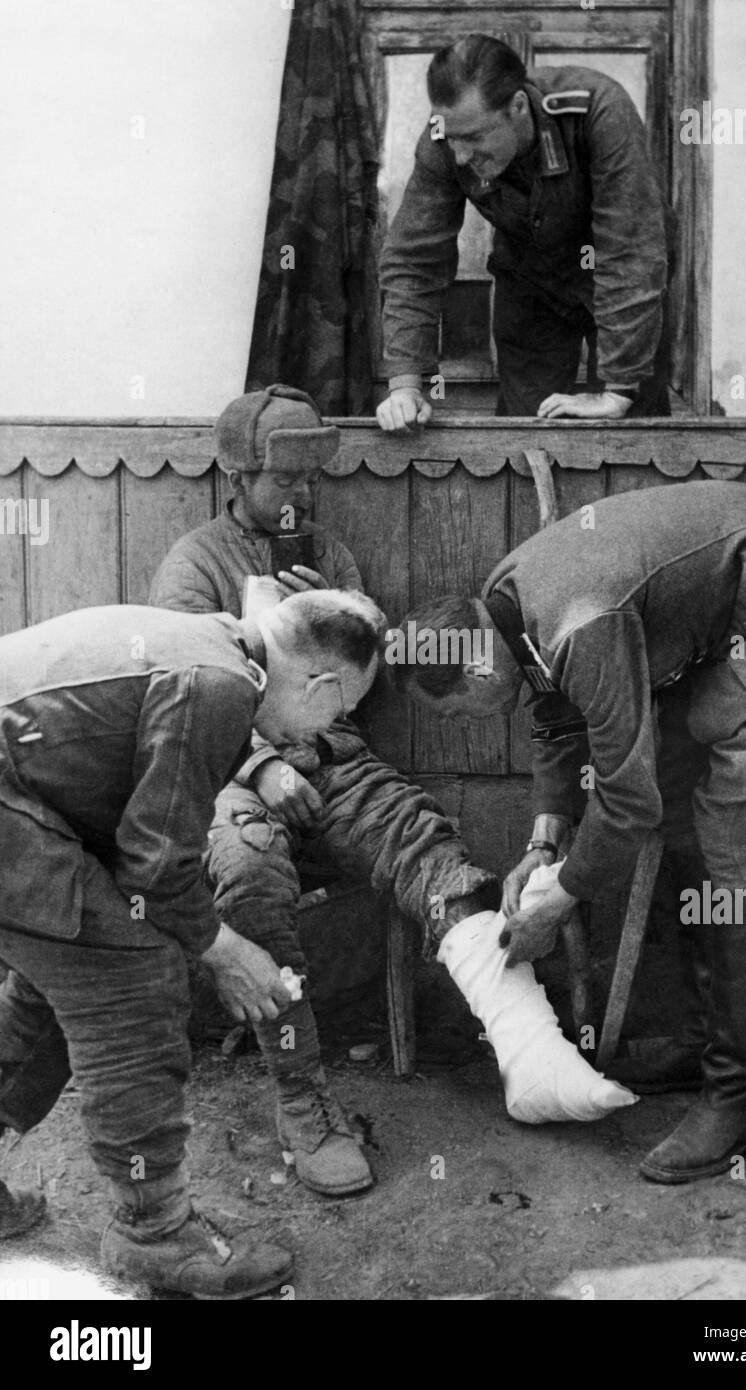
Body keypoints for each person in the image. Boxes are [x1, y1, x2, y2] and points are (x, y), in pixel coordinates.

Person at [389, 481, 746, 1183]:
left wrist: (562, 899)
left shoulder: (577, 624)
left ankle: (737, 1099)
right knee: (674, 784)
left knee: (727, 824)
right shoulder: (502, 607)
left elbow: (624, 801)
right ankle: (705, 1042)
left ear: (479, 664)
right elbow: (554, 714)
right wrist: (544, 842)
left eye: (457, 715)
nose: (467, 726)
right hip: (738, 592)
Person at [149, 384, 499, 1196]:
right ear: (237, 478)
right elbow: (183, 696)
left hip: (331, 758)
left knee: (417, 830)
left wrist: (355, 622)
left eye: (310, 483)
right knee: (249, 867)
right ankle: (302, 1098)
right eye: (282, 484)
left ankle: (512, 1028)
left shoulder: (329, 555)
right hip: (223, 772)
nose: (298, 499)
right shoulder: (195, 564)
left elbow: (353, 694)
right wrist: (259, 765)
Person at [0, 588, 383, 1298]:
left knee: (60, 974)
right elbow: (158, 861)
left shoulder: (216, 646)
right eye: (338, 712)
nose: (321, 734)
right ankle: (156, 1235)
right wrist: (226, 951)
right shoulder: (219, 683)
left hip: (21, 807)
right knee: (133, 978)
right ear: (322, 682)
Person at [376, 32, 671, 431]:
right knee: (525, 439)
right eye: (455, 140)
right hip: (530, 288)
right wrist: (405, 385)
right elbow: (414, 260)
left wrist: (618, 392)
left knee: (630, 439)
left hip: (619, 282)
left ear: (517, 106)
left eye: (476, 138)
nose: (461, 156)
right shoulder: (443, 139)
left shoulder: (598, 108)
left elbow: (631, 252)